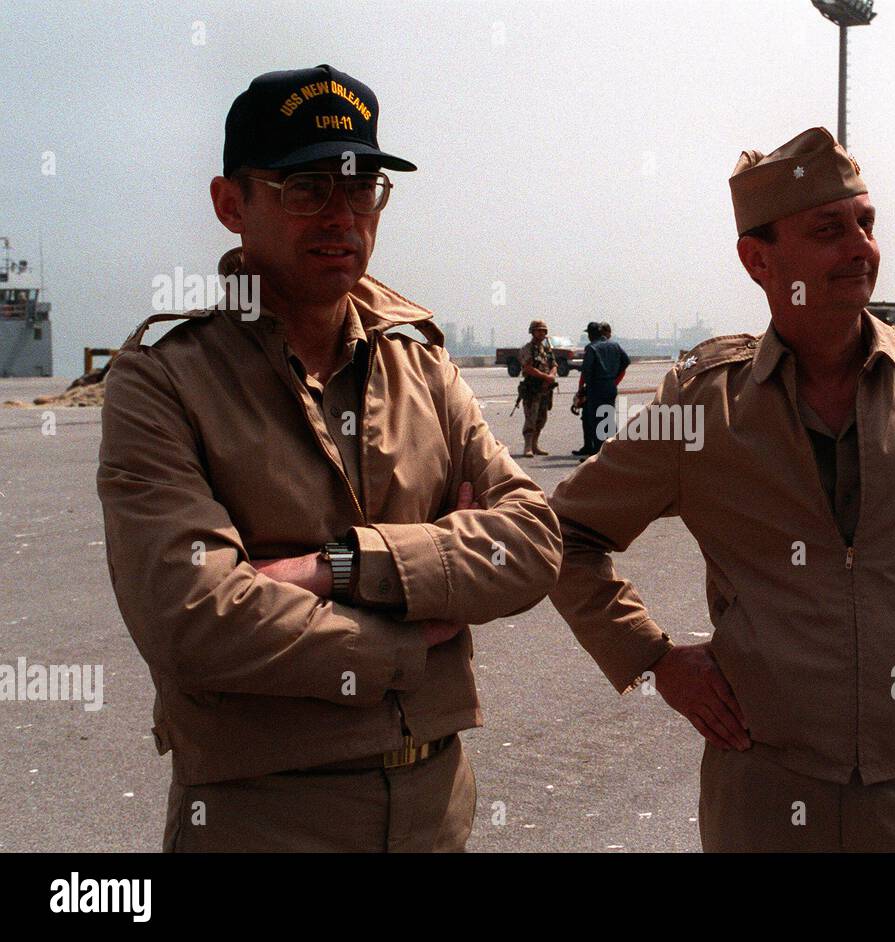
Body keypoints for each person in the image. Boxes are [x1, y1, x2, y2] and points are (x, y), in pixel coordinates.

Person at [546, 127, 895, 852]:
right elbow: (562, 535)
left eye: (866, 224)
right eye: (829, 230)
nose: (861, 248)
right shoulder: (704, 409)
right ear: (758, 261)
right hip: (763, 799)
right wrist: (653, 659)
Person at [96, 64, 562, 852]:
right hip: (265, 816)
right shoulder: (166, 376)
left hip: (435, 804)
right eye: (306, 187)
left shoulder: (421, 363)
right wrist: (416, 631)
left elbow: (531, 543)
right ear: (230, 203)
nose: (342, 217)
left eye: (364, 188)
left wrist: (339, 568)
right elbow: (194, 619)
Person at [571, 320, 629, 457]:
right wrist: (613, 376)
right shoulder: (615, 345)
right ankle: (613, 450)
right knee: (608, 418)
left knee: (596, 421)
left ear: (591, 335)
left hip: (596, 388)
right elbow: (626, 361)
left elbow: (587, 371)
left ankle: (599, 455)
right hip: (610, 386)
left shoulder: (592, 348)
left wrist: (584, 390)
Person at [517, 318, 558, 457]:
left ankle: (535, 445)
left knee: (542, 418)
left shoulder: (547, 349)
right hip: (532, 389)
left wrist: (551, 376)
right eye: (538, 330)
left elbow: (554, 365)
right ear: (532, 332)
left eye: (543, 331)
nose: (541, 333)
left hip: (545, 390)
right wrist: (545, 377)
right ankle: (527, 446)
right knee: (531, 418)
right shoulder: (527, 349)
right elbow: (528, 368)